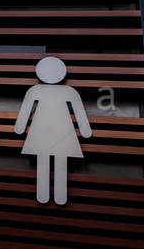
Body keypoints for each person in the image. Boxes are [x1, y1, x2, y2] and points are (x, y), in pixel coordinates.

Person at [14, 56, 91, 205]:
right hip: (60, 130)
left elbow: (24, 113)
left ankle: (48, 196)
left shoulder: (35, 90)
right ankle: (54, 196)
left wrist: (19, 128)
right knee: (54, 160)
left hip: (46, 130)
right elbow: (80, 113)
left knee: (47, 160)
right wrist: (85, 131)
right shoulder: (68, 91)